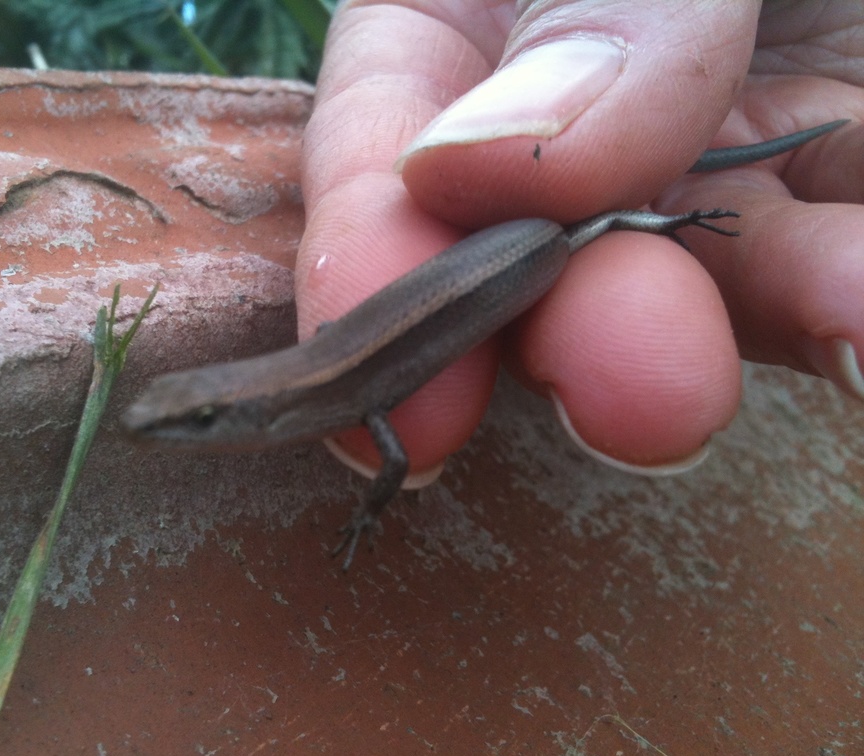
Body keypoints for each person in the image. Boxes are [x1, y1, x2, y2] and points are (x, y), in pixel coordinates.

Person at [296, 0, 862, 486]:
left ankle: (669, 214)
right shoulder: (356, 392)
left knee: (601, 220)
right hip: (517, 239)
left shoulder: (359, 397)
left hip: (533, 237)